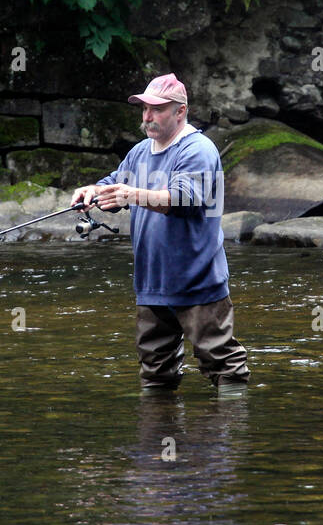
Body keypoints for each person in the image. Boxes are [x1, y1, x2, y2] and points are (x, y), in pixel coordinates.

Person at [71, 73, 251, 398]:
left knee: (223, 366)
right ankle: (156, 443)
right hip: (152, 284)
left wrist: (131, 195)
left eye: (157, 109)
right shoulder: (140, 151)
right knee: (155, 375)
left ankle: (226, 442)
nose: (147, 117)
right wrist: (93, 191)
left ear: (180, 111)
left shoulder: (198, 149)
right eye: (143, 109)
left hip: (197, 283)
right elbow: (116, 184)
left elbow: (183, 198)